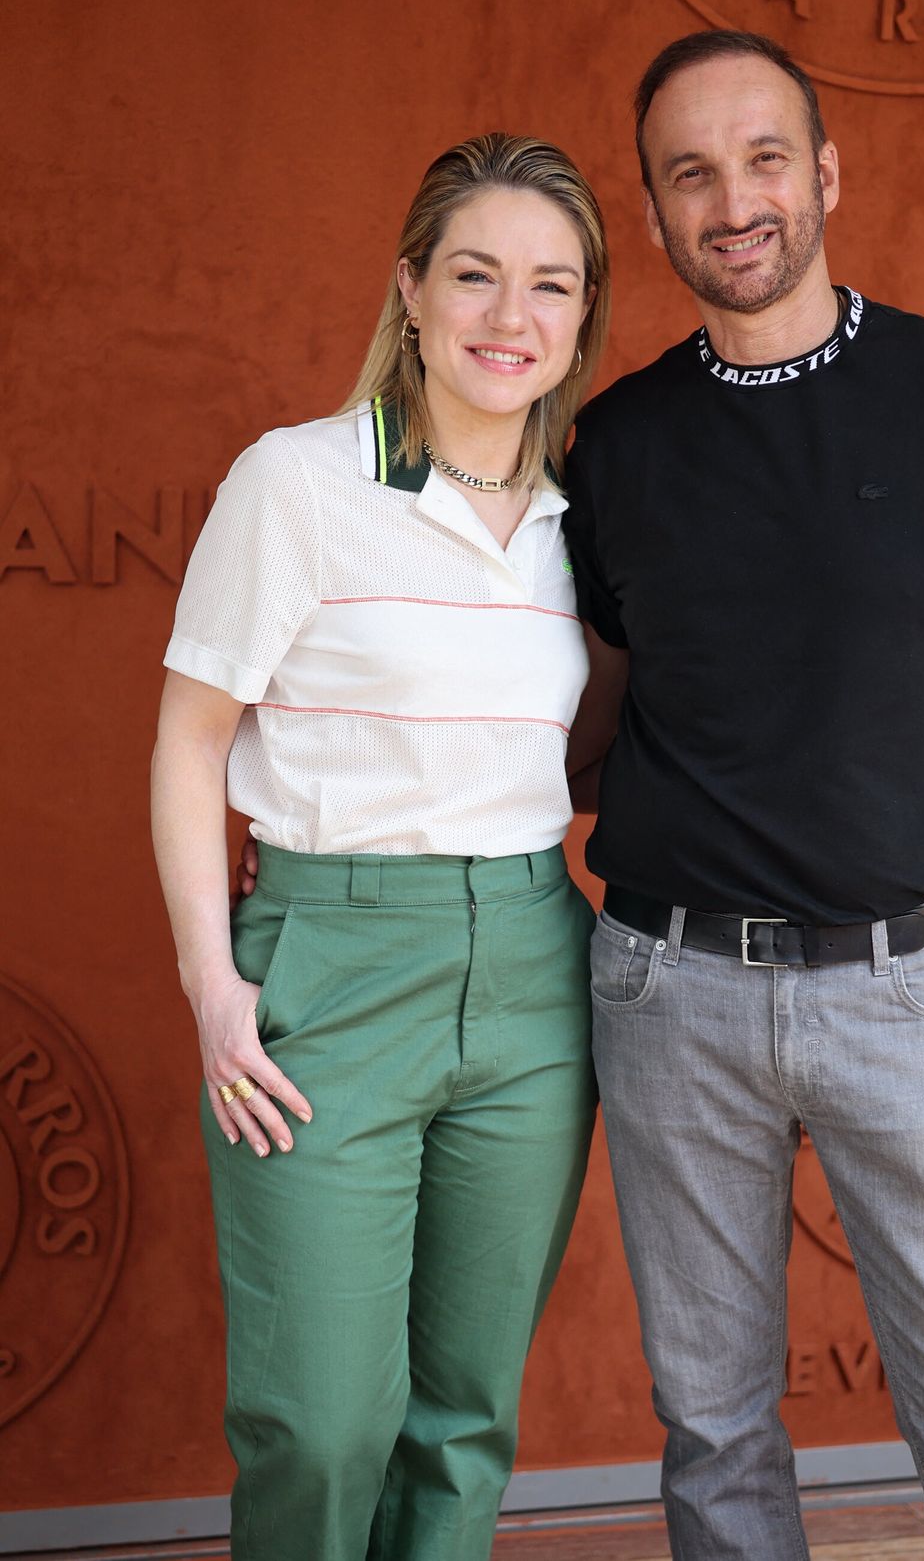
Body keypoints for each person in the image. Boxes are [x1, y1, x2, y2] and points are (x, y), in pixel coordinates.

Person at [562, 31, 924, 1561]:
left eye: (764, 159)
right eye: (691, 175)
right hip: (669, 992)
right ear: (656, 212)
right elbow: (577, 726)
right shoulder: (616, 443)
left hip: (916, 995)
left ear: (825, 171)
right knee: (715, 1435)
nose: (733, 201)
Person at [150, 131, 610, 1561]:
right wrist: (215, 988)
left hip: (534, 969)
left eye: (550, 284)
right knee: (322, 1423)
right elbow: (189, 742)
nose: (510, 316)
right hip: (331, 969)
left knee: (465, 1420)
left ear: (582, 315)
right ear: (411, 290)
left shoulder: (587, 518)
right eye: (474, 275)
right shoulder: (298, 482)